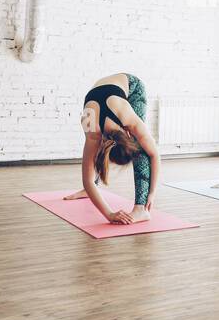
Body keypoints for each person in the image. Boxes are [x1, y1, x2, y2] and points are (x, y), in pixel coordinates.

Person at [64, 73, 160, 224]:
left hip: (125, 88)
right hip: (121, 89)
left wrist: (152, 193)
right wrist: (109, 214)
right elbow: (87, 181)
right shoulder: (92, 130)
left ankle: (141, 209)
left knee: (140, 148)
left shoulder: (127, 121)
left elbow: (155, 155)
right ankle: (94, 192)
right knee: (139, 147)